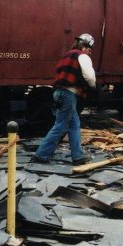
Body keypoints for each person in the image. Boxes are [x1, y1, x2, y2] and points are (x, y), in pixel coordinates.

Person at [32, 33, 97, 165]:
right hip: (68, 94)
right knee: (61, 126)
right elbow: (90, 77)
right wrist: (94, 87)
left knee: (74, 125)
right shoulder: (82, 56)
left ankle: (78, 157)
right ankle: (40, 155)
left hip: (59, 92)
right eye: (90, 49)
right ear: (85, 46)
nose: (90, 52)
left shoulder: (67, 55)